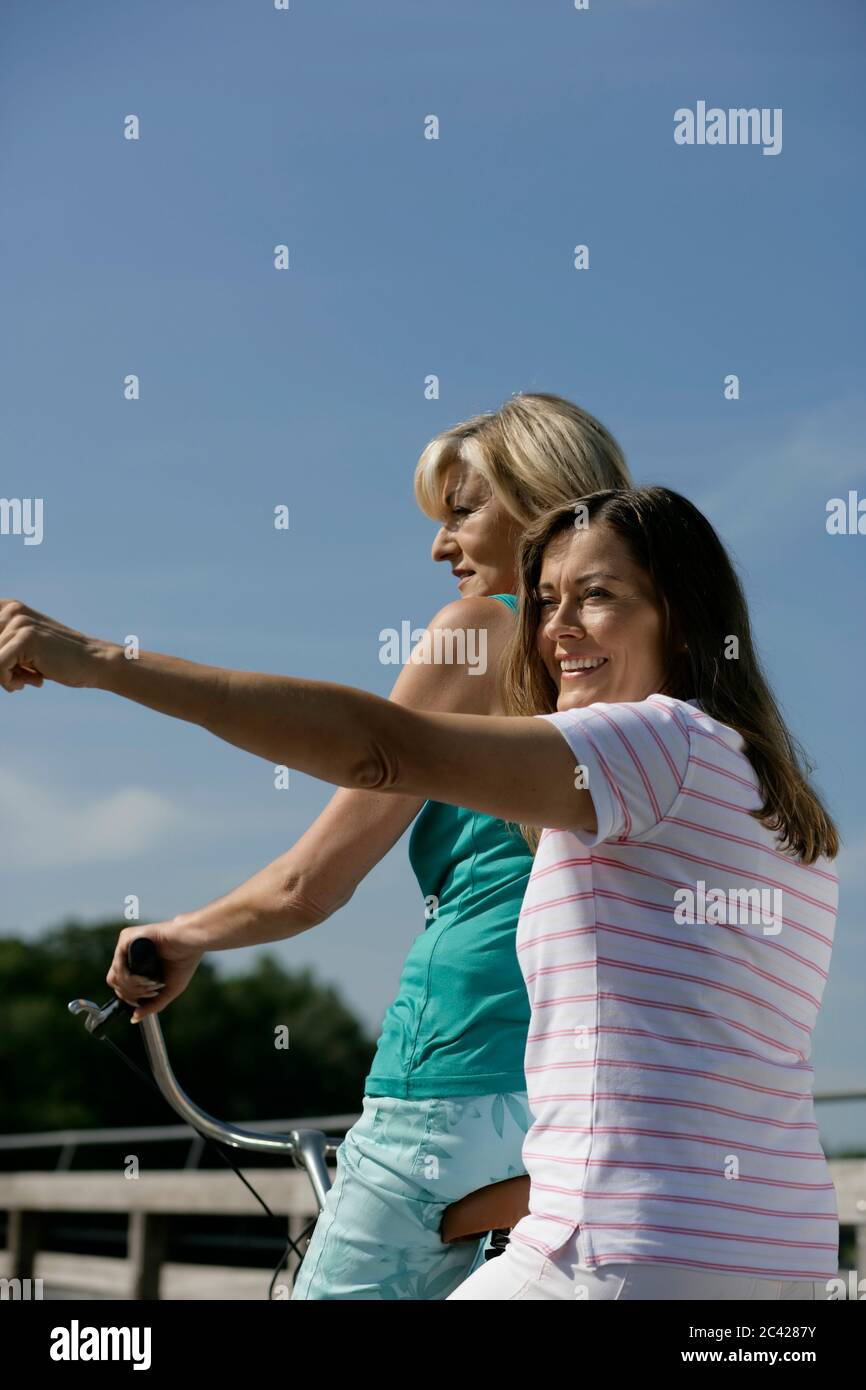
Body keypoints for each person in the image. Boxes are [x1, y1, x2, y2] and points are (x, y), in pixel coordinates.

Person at [0, 485, 839, 1300]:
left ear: (683, 621)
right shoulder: (787, 810)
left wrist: (109, 665)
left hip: (624, 1253)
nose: (556, 630)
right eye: (545, 601)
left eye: (599, 597)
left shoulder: (653, 742)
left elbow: (380, 751)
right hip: (782, 1255)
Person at [0, 394, 630, 1301]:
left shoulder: (483, 627)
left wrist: (184, 934)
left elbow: (311, 881)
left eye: (463, 511)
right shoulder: (640, 668)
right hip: (582, 1087)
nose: (440, 547)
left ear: (542, 501)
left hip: (450, 1084)